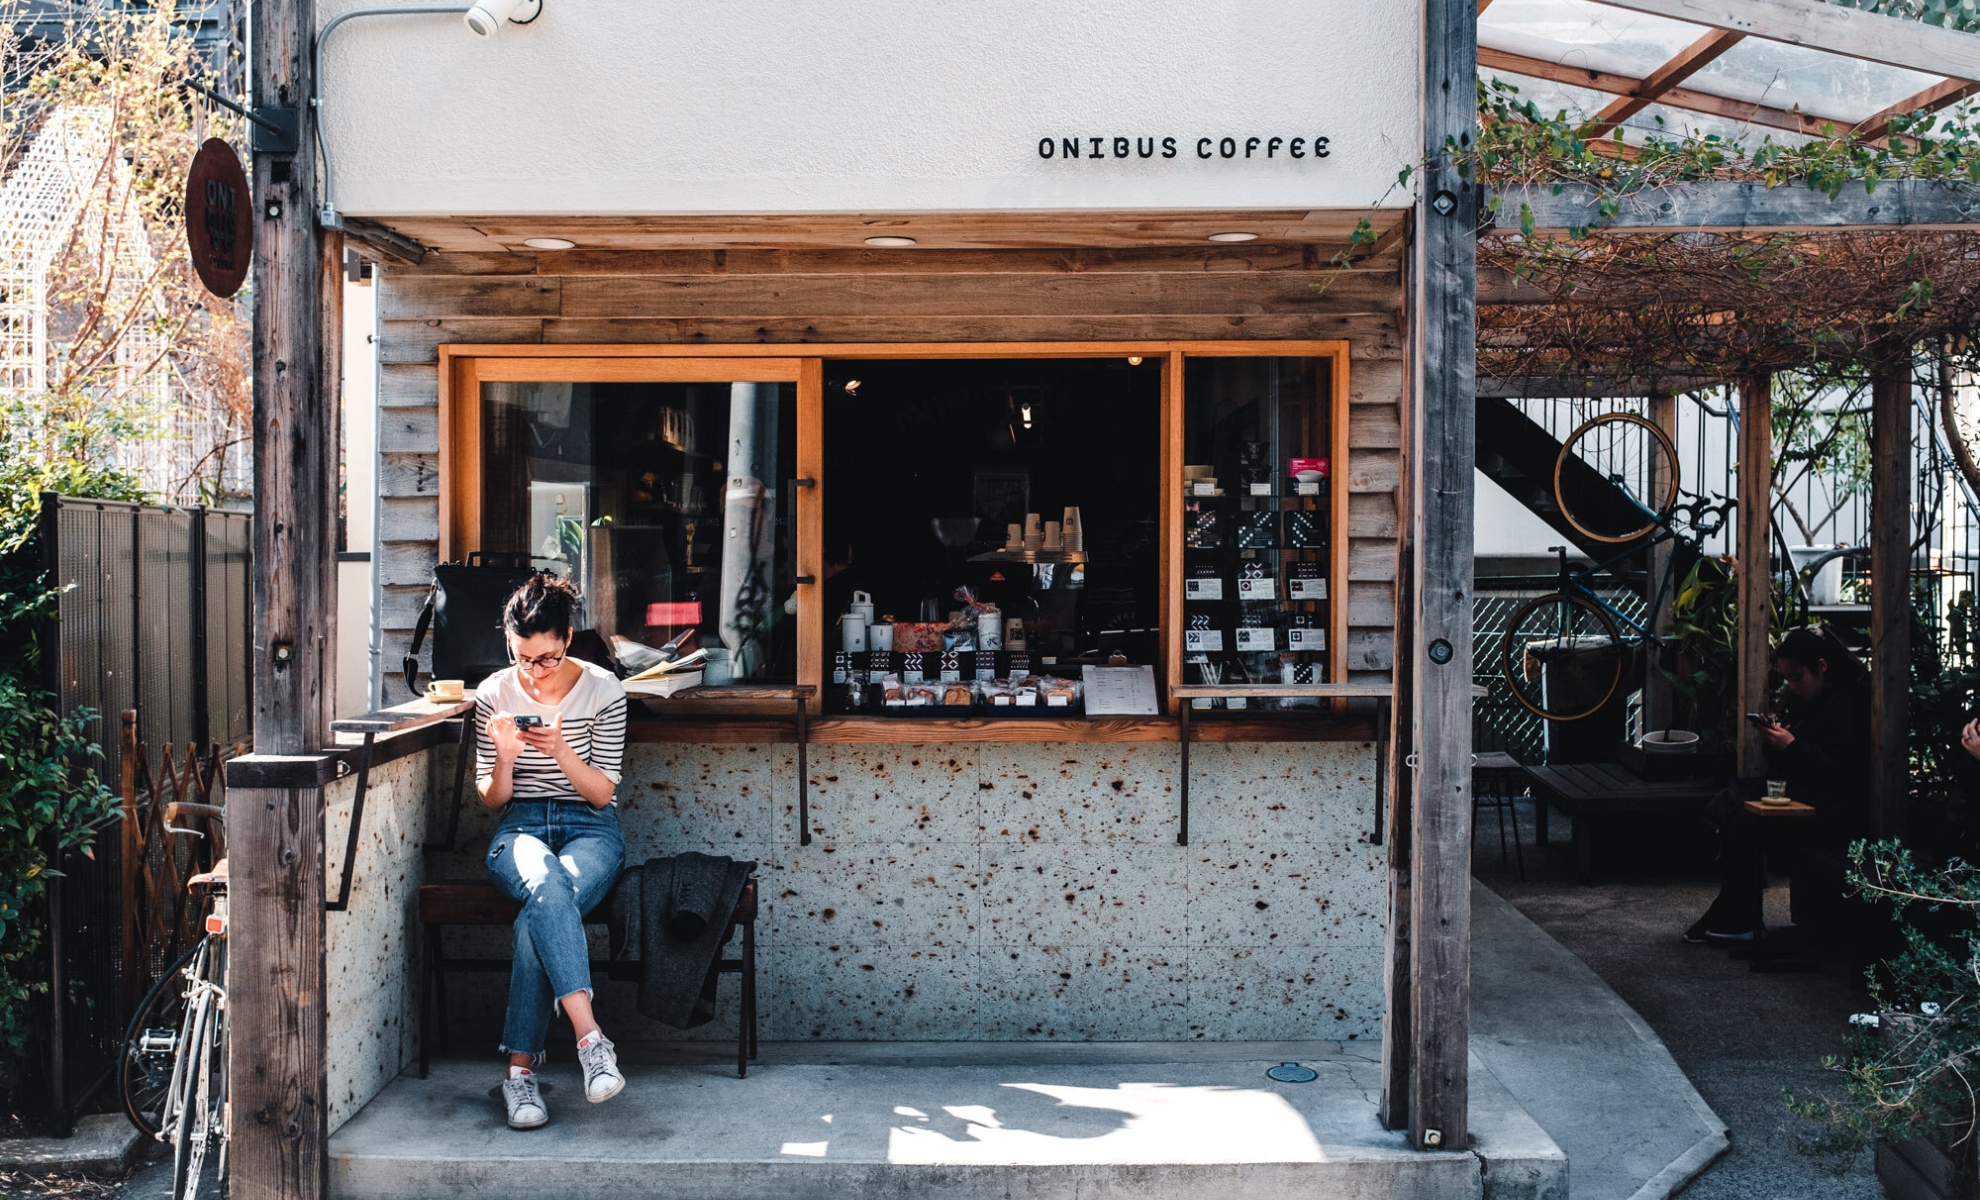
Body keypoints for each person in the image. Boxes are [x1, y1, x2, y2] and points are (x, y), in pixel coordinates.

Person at [475, 573, 629, 1129]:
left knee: (535, 918)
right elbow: (491, 800)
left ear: (567, 639)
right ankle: (592, 1040)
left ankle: (518, 1076)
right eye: (521, 659)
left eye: (545, 658)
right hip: (518, 828)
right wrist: (507, 756)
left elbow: (602, 792)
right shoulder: (494, 692)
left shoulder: (603, 689)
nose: (532, 671)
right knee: (545, 883)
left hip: (590, 827)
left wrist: (561, 747)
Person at [1685, 626, 1871, 944]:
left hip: (1831, 807)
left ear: (1822, 666)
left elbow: (1841, 771)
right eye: (1788, 679)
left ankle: (1738, 917)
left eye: (1797, 677)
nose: (1793, 686)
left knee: (1748, 820)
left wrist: (1792, 745)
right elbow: (1793, 760)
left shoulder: (1849, 703)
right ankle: (1736, 913)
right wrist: (1776, 740)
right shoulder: (1807, 700)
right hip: (1804, 795)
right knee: (1738, 797)